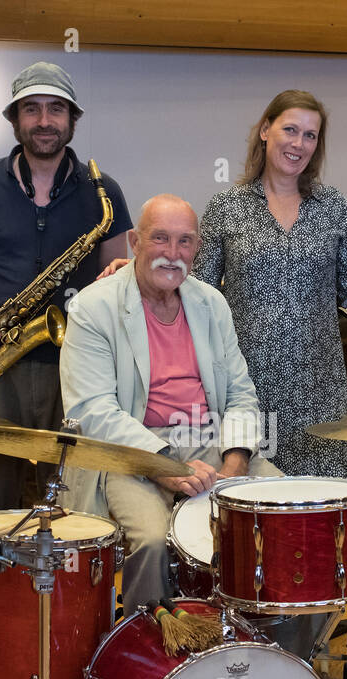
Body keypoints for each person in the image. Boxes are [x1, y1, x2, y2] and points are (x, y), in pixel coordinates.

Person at [191, 89, 347, 478]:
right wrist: (140, 270)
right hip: (246, 390)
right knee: (252, 512)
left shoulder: (335, 207)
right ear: (264, 130)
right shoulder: (226, 207)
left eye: (310, 135)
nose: (299, 143)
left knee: (323, 512)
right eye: (290, 129)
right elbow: (196, 292)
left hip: (319, 392)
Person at [60, 195, 280, 613]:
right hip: (130, 450)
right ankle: (146, 650)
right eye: (160, 238)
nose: (172, 253)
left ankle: (267, 646)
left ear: (197, 249)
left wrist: (234, 465)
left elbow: (241, 393)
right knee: (150, 540)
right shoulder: (93, 307)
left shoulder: (210, 303)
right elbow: (92, 411)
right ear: (134, 242)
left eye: (185, 242)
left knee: (283, 522)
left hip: (212, 440)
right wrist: (166, 467)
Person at [0, 62, 133, 513]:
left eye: (56, 109)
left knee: (71, 495)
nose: (44, 120)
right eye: (31, 109)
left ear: (73, 119)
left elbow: (121, 267)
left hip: (79, 359)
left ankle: (67, 583)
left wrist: (118, 275)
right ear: (14, 120)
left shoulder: (103, 190)